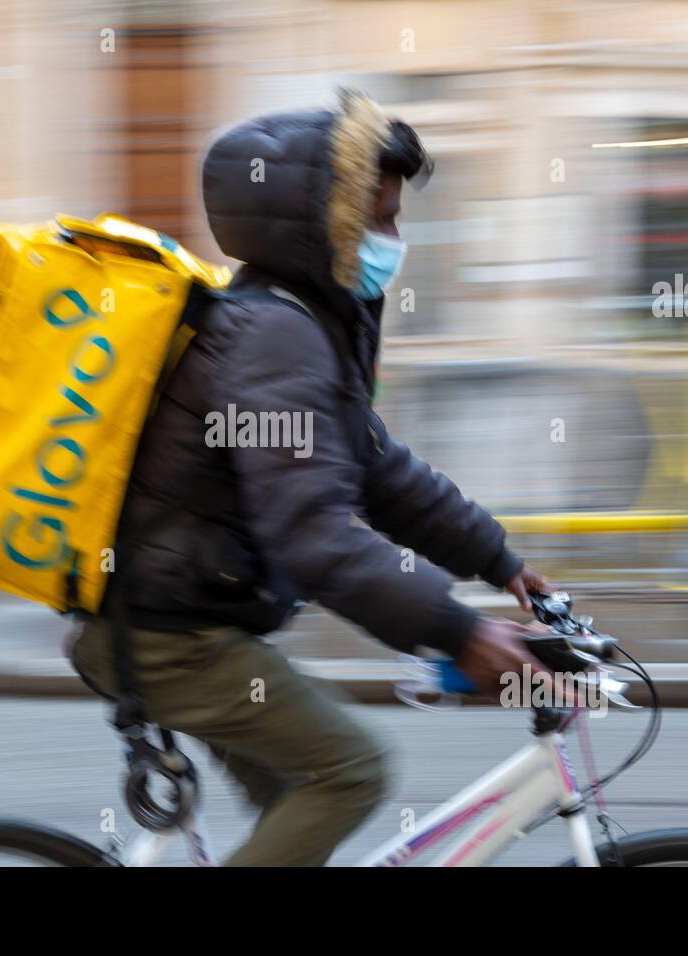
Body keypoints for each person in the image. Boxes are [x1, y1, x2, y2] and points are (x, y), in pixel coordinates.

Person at [68, 89, 552, 866]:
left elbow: (378, 469)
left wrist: (499, 562)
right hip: (172, 638)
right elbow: (316, 538)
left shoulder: (298, 321)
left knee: (300, 819)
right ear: (319, 227)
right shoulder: (276, 337)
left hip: (188, 622)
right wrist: (460, 631)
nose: (394, 240)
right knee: (352, 773)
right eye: (380, 219)